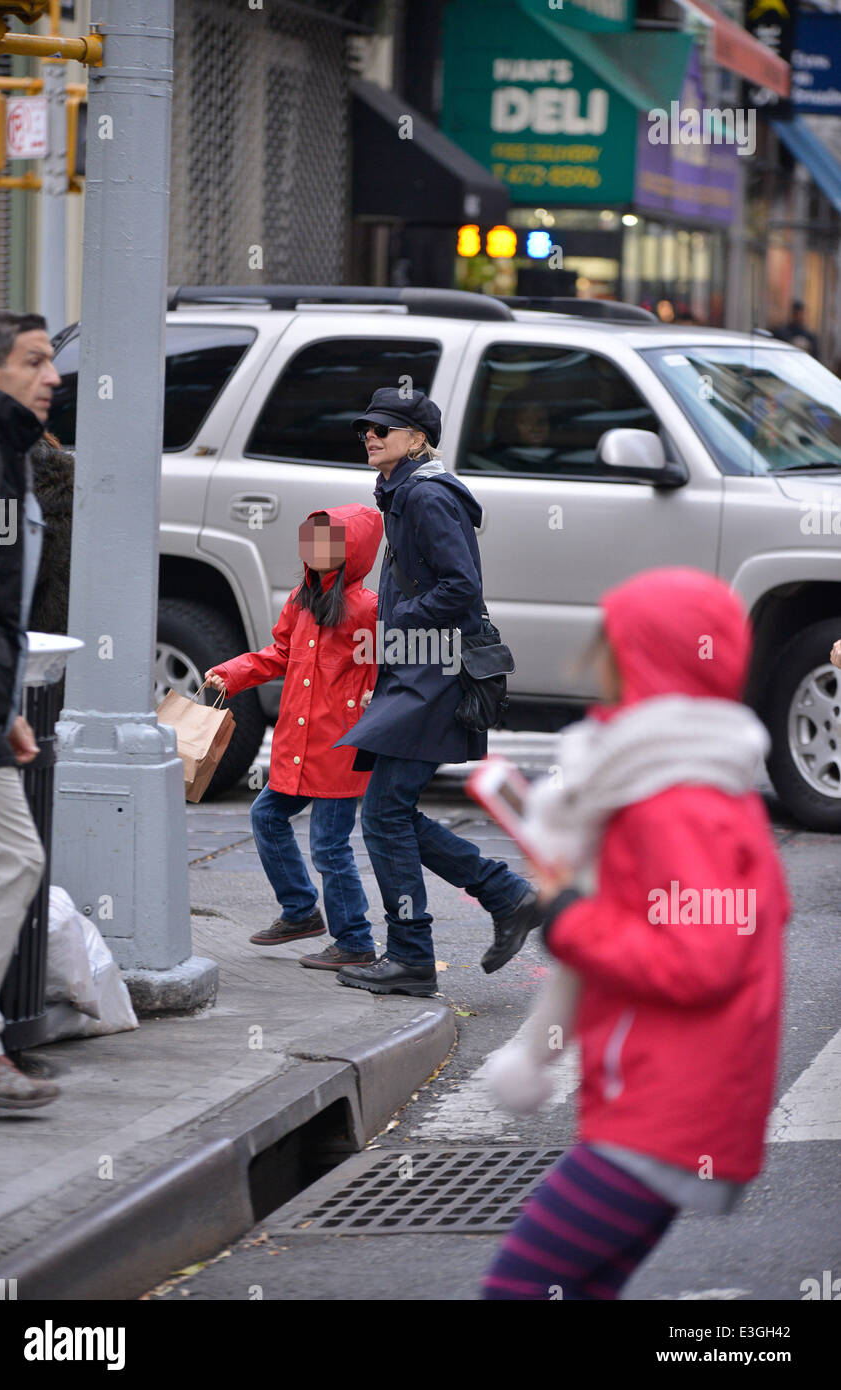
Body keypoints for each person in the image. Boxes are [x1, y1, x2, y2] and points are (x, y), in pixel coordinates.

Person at [482, 567, 789, 1300]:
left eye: (613, 649)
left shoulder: (675, 802)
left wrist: (569, 917)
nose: (596, 668)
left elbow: (699, 959)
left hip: (665, 1108)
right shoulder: (694, 782)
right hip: (667, 1100)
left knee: (518, 1289)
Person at [334, 387, 548, 997]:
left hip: (435, 674)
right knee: (389, 812)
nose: (370, 435)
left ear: (417, 439)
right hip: (416, 670)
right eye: (366, 427)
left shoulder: (426, 495)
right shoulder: (402, 493)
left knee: (383, 814)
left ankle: (413, 955)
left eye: (384, 427)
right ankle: (505, 896)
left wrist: (395, 625)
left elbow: (461, 588)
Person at [204, 505, 382, 970]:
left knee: (329, 845)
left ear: (353, 550)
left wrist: (373, 701)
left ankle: (356, 940)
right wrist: (232, 672)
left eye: (331, 540)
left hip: (340, 748)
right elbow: (281, 652)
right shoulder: (302, 600)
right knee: (266, 817)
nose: (318, 548)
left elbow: (387, 666)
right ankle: (301, 911)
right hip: (298, 746)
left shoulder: (368, 608)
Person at [0, 310, 61, 1109]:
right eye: (33, 361)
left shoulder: (5, 450)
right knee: (12, 857)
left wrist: (6, 706)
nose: (53, 376)